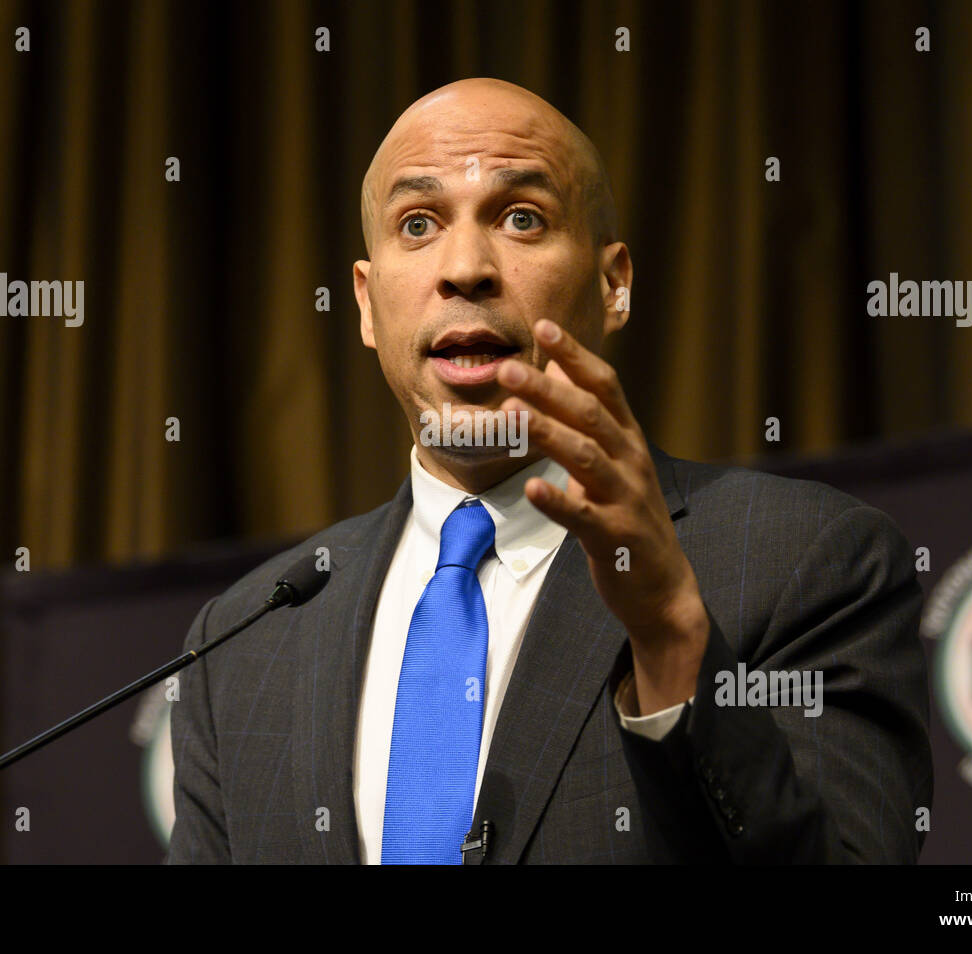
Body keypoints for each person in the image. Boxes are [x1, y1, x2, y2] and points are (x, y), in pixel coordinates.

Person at [168, 77, 932, 865]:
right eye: (419, 223)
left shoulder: (806, 559)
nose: (465, 267)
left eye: (522, 218)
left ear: (613, 284)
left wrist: (670, 637)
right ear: (365, 303)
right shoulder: (242, 645)